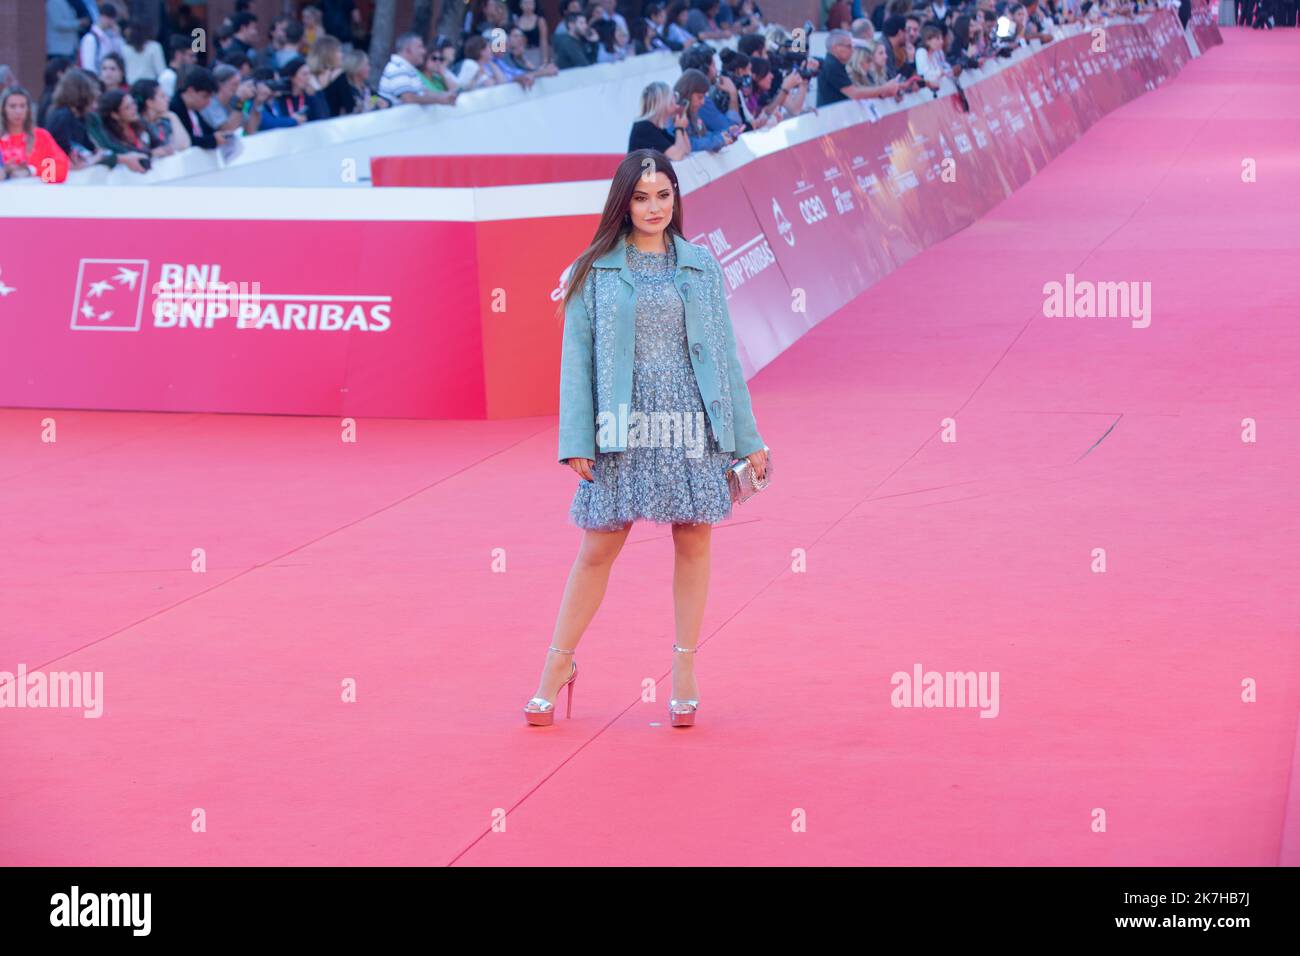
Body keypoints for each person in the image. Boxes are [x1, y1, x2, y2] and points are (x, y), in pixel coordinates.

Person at [532, 148, 768, 728]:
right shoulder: (592, 269)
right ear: (623, 202)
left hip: (693, 421)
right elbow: (576, 360)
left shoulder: (701, 266)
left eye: (663, 195)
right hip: (621, 425)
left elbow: (724, 356)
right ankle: (556, 666)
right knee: (597, 548)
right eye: (641, 197)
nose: (654, 207)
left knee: (693, 540)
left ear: (676, 198)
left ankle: (684, 669)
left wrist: (747, 438)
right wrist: (576, 439)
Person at [0, 87, 70, 184]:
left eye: (22, 106)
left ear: (28, 109)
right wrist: (5, 171)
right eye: (12, 106)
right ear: (3, 109)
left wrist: (31, 170)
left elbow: (62, 169)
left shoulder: (41, 136)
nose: (18, 111)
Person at [818, 30, 903, 106]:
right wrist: (885, 89)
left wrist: (886, 92)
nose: (852, 50)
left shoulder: (835, 64)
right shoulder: (832, 65)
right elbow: (855, 93)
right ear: (836, 48)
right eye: (849, 46)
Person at [379, 32, 459, 104]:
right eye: (419, 47)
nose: (423, 51)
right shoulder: (398, 69)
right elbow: (408, 98)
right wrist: (440, 99)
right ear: (408, 50)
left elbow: (423, 92)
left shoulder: (408, 69)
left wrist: (445, 96)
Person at [88, 87, 152, 173]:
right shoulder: (109, 135)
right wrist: (152, 153)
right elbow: (111, 151)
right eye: (127, 107)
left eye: (133, 103)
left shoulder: (140, 125)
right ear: (115, 115)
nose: (134, 108)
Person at [628, 80, 691, 159]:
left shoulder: (657, 128)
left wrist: (681, 126)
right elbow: (677, 155)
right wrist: (679, 128)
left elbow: (686, 151)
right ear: (664, 104)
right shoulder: (643, 128)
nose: (676, 106)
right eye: (672, 101)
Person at [259, 57, 330, 128]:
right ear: (292, 77)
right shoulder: (280, 97)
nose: (309, 78)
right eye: (305, 74)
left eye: (310, 74)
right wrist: (293, 120)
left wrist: (317, 92)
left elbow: (324, 117)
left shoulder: (311, 96)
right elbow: (273, 122)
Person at [170, 66, 225, 149]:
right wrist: (212, 140)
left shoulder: (193, 109)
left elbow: (209, 132)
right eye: (205, 96)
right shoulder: (174, 108)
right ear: (191, 91)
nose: (208, 102)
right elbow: (187, 140)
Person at [131, 78, 191, 155]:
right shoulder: (138, 127)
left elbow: (184, 146)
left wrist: (173, 117)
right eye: (162, 96)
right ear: (150, 102)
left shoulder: (164, 122)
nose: (168, 99)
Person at [79, 2, 125, 74]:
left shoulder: (113, 37)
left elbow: (122, 55)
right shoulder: (90, 39)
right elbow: (88, 66)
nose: (109, 21)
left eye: (112, 18)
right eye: (106, 17)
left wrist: (118, 36)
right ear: (100, 17)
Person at [513, 0, 550, 68]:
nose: (528, 6)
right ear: (521, 5)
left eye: (530, 3)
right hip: (523, 54)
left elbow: (543, 41)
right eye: (526, 3)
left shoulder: (540, 20)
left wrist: (545, 60)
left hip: (537, 52)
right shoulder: (517, 21)